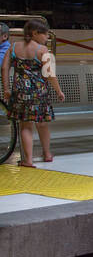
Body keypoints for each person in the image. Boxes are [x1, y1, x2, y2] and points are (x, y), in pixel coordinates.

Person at [1, 19, 65, 167]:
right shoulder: (42, 50)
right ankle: (47, 154)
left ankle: (28, 160)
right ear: (35, 33)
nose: (47, 38)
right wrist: (58, 91)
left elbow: (4, 68)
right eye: (45, 34)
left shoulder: (13, 47)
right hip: (39, 92)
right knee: (42, 124)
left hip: (19, 92)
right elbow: (50, 74)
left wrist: (6, 88)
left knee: (25, 126)